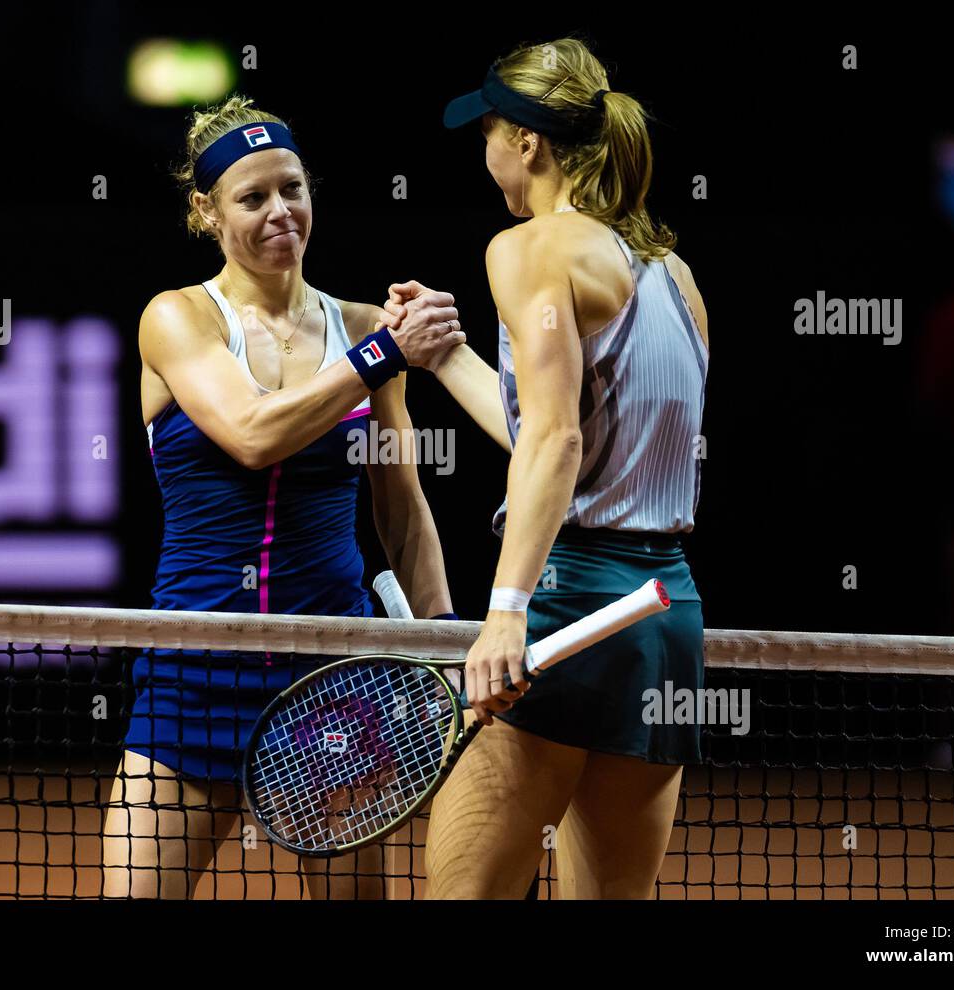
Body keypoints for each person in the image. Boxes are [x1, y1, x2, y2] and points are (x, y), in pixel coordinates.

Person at [102, 96, 464, 899]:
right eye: (252, 197)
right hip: (194, 671)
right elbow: (253, 433)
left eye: (292, 189)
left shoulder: (364, 325)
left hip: (330, 677)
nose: (280, 213)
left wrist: (443, 647)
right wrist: (381, 356)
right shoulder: (176, 317)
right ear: (206, 210)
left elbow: (400, 510)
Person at [385, 38, 710, 898]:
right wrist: (449, 357)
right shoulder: (676, 278)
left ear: (526, 143)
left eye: (488, 128)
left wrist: (505, 612)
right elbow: (553, 430)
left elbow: (558, 445)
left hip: (564, 609)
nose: (483, 147)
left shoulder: (527, 247)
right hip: (661, 619)